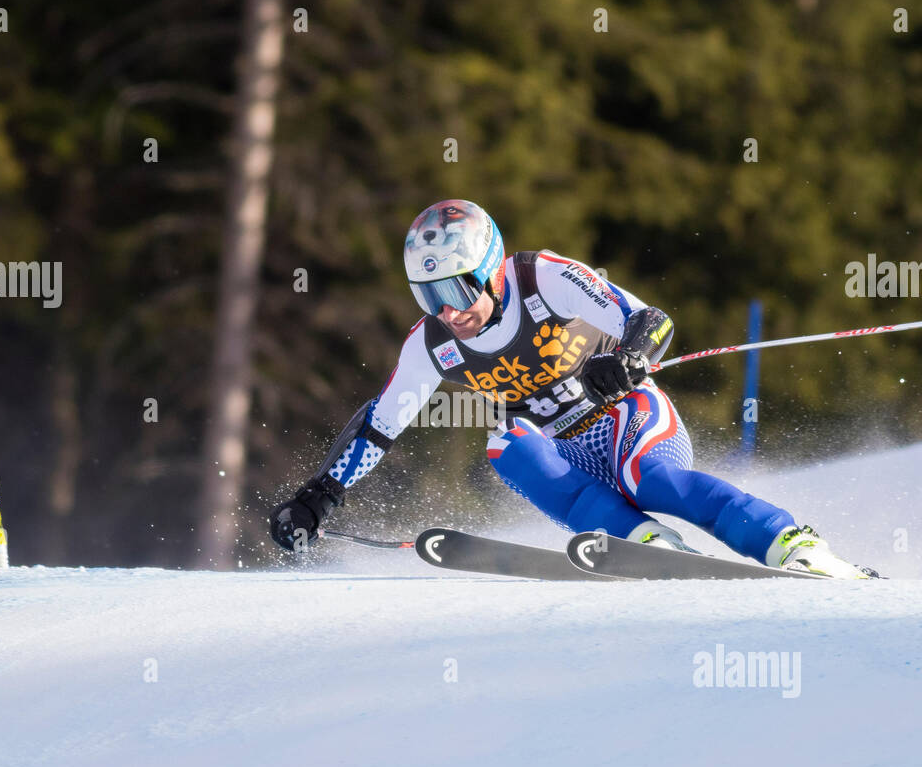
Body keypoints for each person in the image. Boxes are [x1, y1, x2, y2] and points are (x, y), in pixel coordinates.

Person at [270, 199, 878, 578]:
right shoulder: (432, 344)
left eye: (455, 291)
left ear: (488, 271)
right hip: (562, 451)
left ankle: (792, 545)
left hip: (627, 420)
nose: (446, 311)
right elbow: (382, 422)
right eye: (428, 296)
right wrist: (320, 495)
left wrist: (631, 359)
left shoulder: (542, 279)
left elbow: (653, 320)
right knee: (506, 443)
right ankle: (644, 543)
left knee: (653, 481)